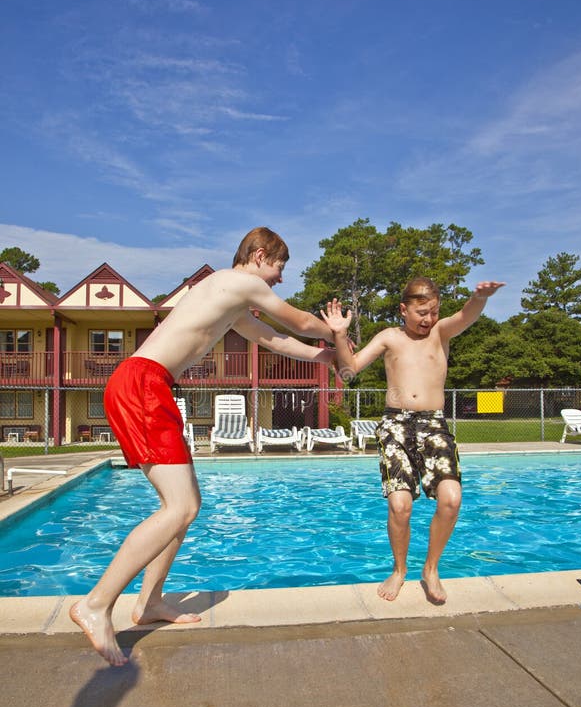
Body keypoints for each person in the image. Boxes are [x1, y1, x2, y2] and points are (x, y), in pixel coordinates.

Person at [70, 227, 337, 665]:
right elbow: (300, 323)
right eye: (279, 267)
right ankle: (95, 604)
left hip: (149, 385)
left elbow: (274, 338)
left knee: (185, 505)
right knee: (179, 508)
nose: (280, 279)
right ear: (258, 254)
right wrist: (337, 332)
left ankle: (151, 602)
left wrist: (322, 356)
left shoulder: (230, 298)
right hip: (142, 384)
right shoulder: (239, 280)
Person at [322, 277, 505, 605]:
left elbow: (466, 315)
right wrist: (339, 334)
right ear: (403, 309)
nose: (428, 319)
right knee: (400, 504)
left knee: (451, 498)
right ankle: (399, 569)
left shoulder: (440, 333)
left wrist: (480, 298)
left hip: (434, 425)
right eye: (421, 313)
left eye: (433, 311)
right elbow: (348, 373)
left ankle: (431, 569)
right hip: (396, 424)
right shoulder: (389, 337)